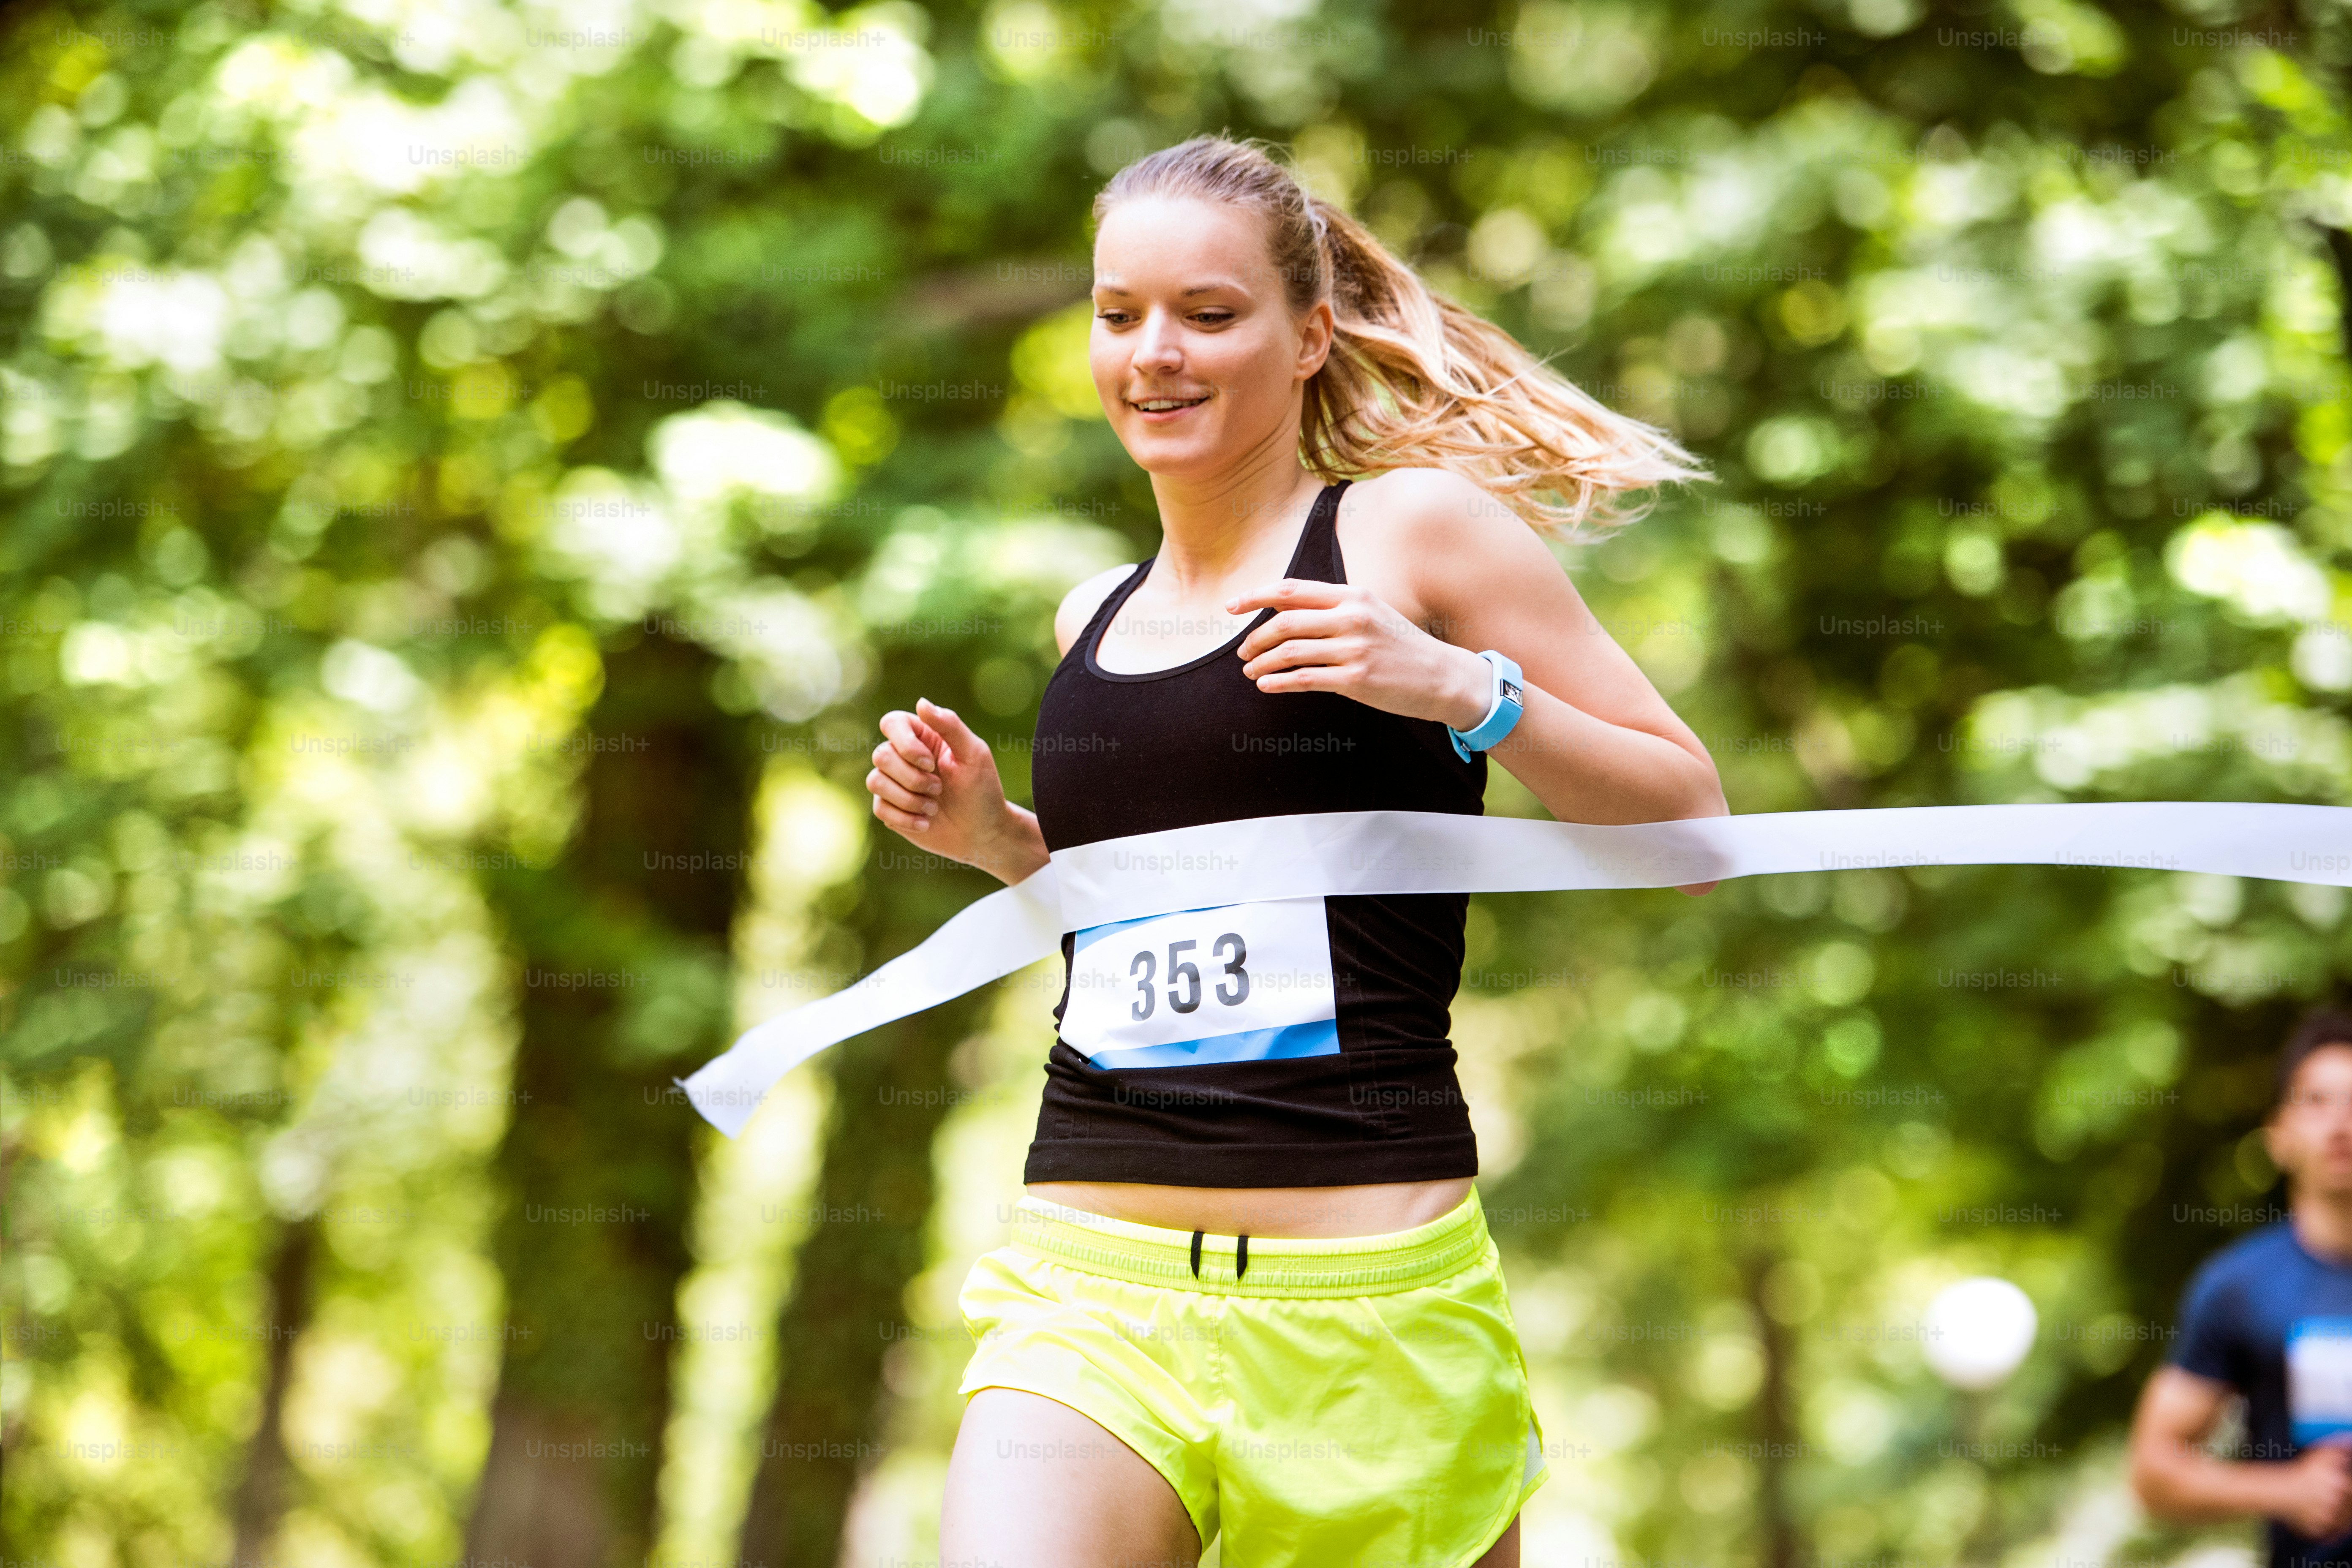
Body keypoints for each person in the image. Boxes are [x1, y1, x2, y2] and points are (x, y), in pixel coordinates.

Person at [864, 135, 1725, 1567]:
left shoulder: (1412, 534)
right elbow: (1143, 922)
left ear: (1309, 334)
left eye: (1208, 314)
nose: (1153, 353)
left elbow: (1694, 836)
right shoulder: (1090, 616)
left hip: (1370, 1309)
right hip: (1094, 1294)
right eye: (1118, 313)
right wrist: (1002, 843)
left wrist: (1460, 691)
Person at [2130, 1006, 2352, 1563]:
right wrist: (2287, 1490)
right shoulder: (2239, 1287)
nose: (2340, 1125)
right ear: (2278, 1136)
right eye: (2317, 1102)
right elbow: (2153, 1470)